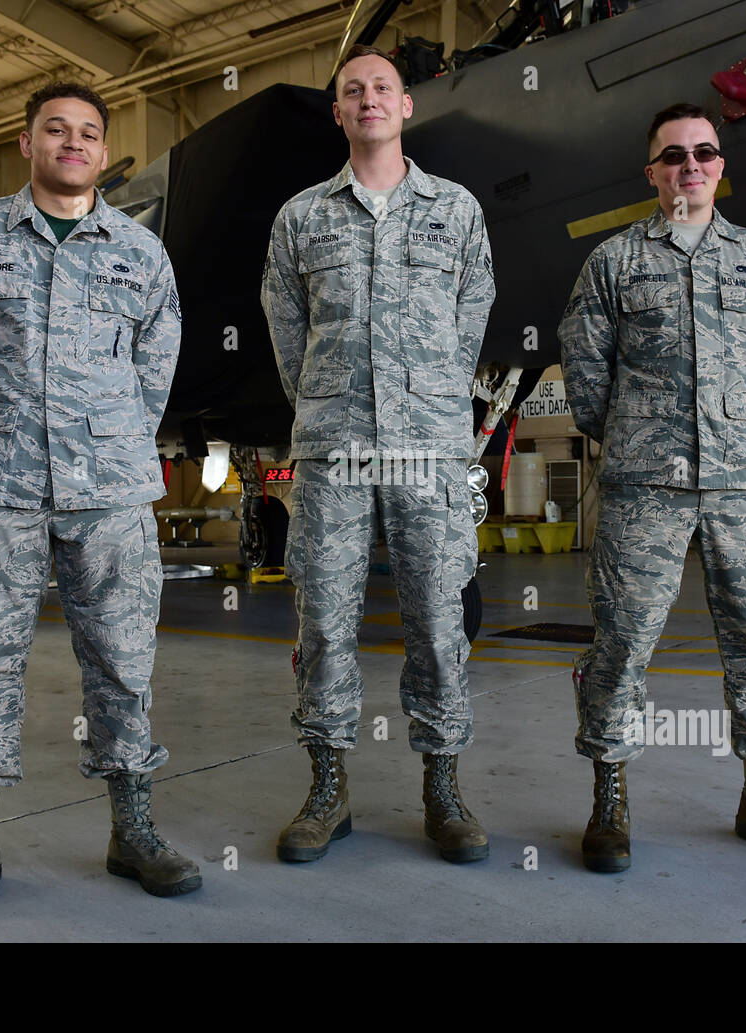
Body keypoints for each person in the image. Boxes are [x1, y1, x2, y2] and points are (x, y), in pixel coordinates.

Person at [0, 81, 200, 918]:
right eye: (56, 130)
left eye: (89, 133)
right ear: (26, 142)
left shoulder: (141, 253)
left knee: (123, 661)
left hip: (108, 493)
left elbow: (155, 367)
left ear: (104, 153)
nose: (73, 143)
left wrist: (112, 445)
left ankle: (133, 827)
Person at [558, 102, 746, 872]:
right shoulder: (613, 263)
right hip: (642, 486)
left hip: (738, 484)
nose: (691, 165)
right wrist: (641, 432)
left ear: (721, 167)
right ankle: (610, 796)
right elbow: (586, 376)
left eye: (705, 153)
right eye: (674, 155)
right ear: (651, 172)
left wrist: (724, 428)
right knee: (622, 639)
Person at [260, 44, 496, 864]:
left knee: (438, 618)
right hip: (334, 451)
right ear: (338, 112)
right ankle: (328, 789)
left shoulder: (456, 210)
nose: (368, 99)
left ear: (406, 106)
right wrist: (327, 403)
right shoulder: (301, 218)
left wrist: (430, 396)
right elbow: (288, 329)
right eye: (352, 90)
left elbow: (473, 311)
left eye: (383, 88)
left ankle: (443, 787)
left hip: (429, 447)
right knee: (324, 618)